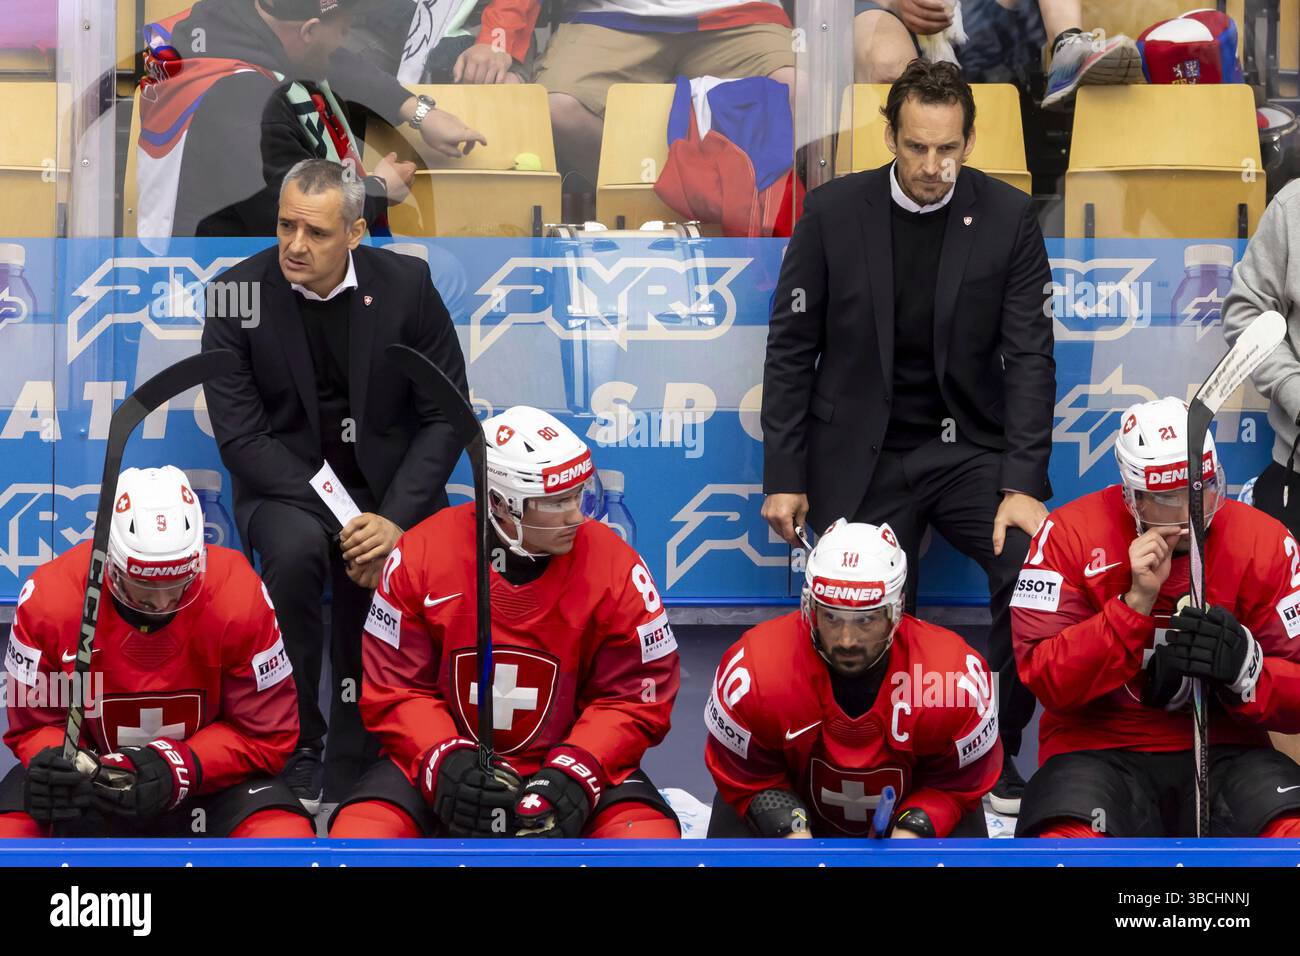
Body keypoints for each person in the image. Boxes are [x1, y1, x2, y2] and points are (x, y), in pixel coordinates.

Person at [760, 58, 1054, 814]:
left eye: (949, 149)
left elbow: (1028, 357)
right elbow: (792, 351)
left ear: (968, 140)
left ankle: (993, 747)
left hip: (967, 451)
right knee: (875, 608)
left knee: (1029, 568)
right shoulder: (831, 212)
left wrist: (1021, 485)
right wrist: (785, 476)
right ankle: (894, 759)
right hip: (862, 450)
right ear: (889, 135)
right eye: (917, 147)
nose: (933, 166)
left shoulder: (1008, 217)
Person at [200, 159, 468, 810]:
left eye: (315, 233)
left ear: (353, 233)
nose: (294, 245)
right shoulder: (236, 293)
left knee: (377, 561)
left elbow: (445, 413)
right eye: (286, 226)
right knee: (294, 555)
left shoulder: (407, 286)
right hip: (286, 486)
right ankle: (295, 745)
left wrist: (397, 518)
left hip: (387, 490)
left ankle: (366, 748)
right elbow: (241, 438)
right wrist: (340, 515)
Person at [328, 406, 682, 839]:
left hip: (567, 758)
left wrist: (578, 769)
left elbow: (635, 696)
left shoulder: (619, 567)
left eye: (579, 495)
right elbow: (395, 688)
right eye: (556, 502)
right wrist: (445, 761)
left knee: (645, 834)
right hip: (452, 752)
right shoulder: (420, 555)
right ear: (499, 502)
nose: (576, 515)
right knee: (364, 831)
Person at [1011, 397, 1300, 838]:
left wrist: (1249, 670)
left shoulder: (1266, 542)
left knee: (1289, 833)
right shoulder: (1067, 535)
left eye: (1201, 490)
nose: (1189, 512)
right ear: (1132, 494)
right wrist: (1133, 606)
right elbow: (1045, 677)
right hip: (1098, 751)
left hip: (1226, 753)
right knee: (1065, 845)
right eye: (1166, 498)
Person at [0, 466, 313, 839]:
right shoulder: (50, 601)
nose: (162, 602)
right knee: (11, 835)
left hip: (211, 784)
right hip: (91, 782)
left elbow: (267, 734)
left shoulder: (239, 595)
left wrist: (177, 767)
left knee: (284, 837)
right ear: (112, 562)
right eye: (144, 583)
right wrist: (64, 765)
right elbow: (35, 725)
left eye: (178, 581)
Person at [705, 519, 1000, 838]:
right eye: (831, 616)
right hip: (793, 816)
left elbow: (957, 783)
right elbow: (748, 777)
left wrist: (916, 829)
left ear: (896, 612)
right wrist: (790, 832)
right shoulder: (754, 669)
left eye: (867, 620)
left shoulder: (953, 676)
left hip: (906, 821)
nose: (847, 640)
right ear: (810, 608)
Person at [139, 0, 487, 238]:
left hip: (262, 254)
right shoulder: (242, 99)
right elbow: (295, 212)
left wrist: (418, 112)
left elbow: (336, 61)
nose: (344, 42)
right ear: (307, 31)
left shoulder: (237, 25)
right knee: (440, 276)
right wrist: (378, 191)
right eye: (342, 31)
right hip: (223, 289)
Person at [539, 0, 796, 190]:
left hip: (740, 12)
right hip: (611, 15)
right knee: (558, 108)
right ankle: (648, 198)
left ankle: (746, 210)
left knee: (797, 91)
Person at [852, 0, 1142, 109]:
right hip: (894, 23)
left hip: (987, 27)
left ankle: (1067, 45)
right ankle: (918, 138)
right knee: (887, 61)